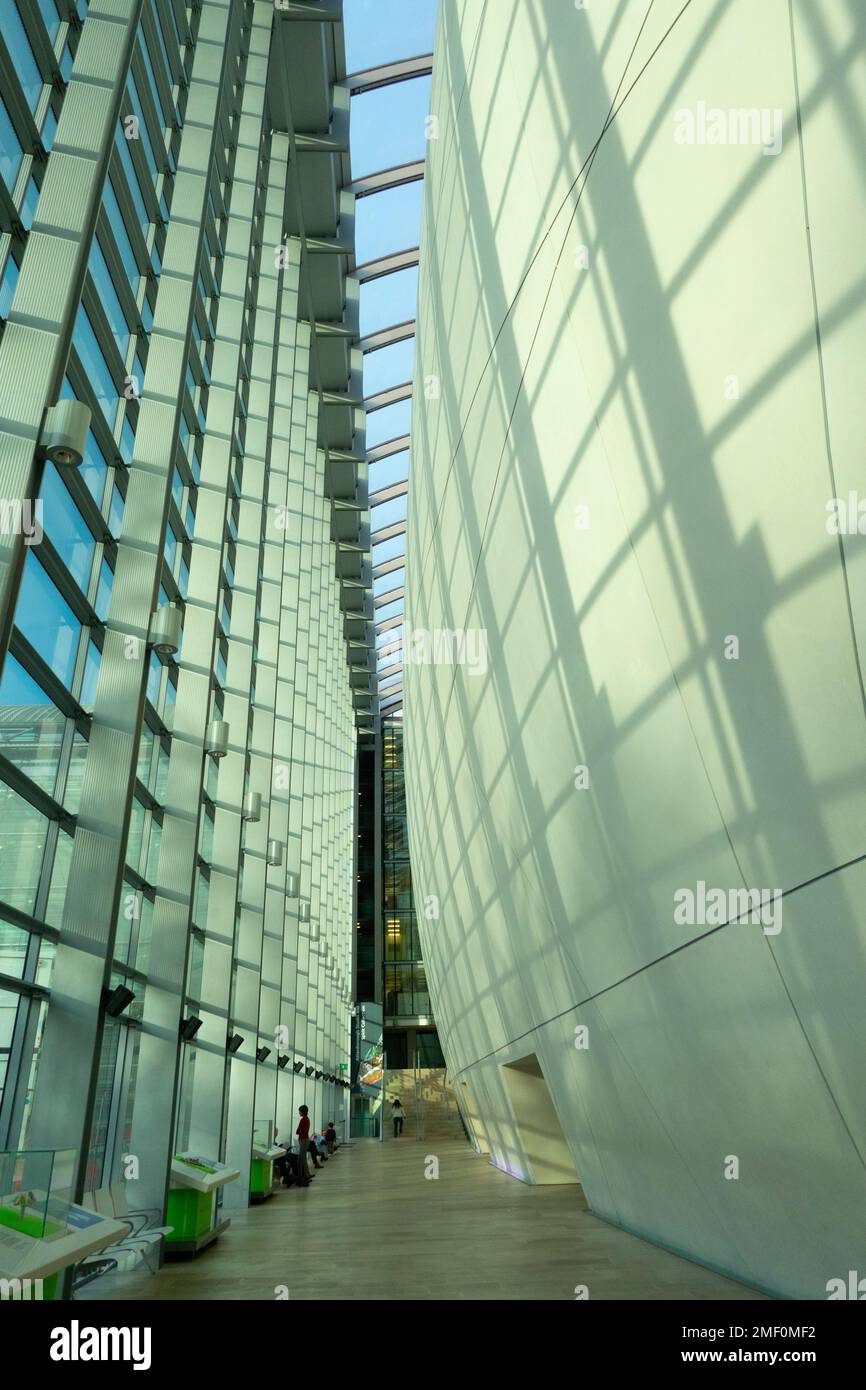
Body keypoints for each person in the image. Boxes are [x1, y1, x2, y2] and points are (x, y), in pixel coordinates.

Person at [295, 1104, 312, 1185]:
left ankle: (305, 1176)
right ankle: (306, 1175)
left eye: (299, 1111)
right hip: (306, 1139)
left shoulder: (303, 1119)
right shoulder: (307, 1119)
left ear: (302, 1111)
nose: (299, 1112)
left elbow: (298, 1131)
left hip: (303, 1140)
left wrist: (299, 1131)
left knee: (302, 1159)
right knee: (302, 1159)